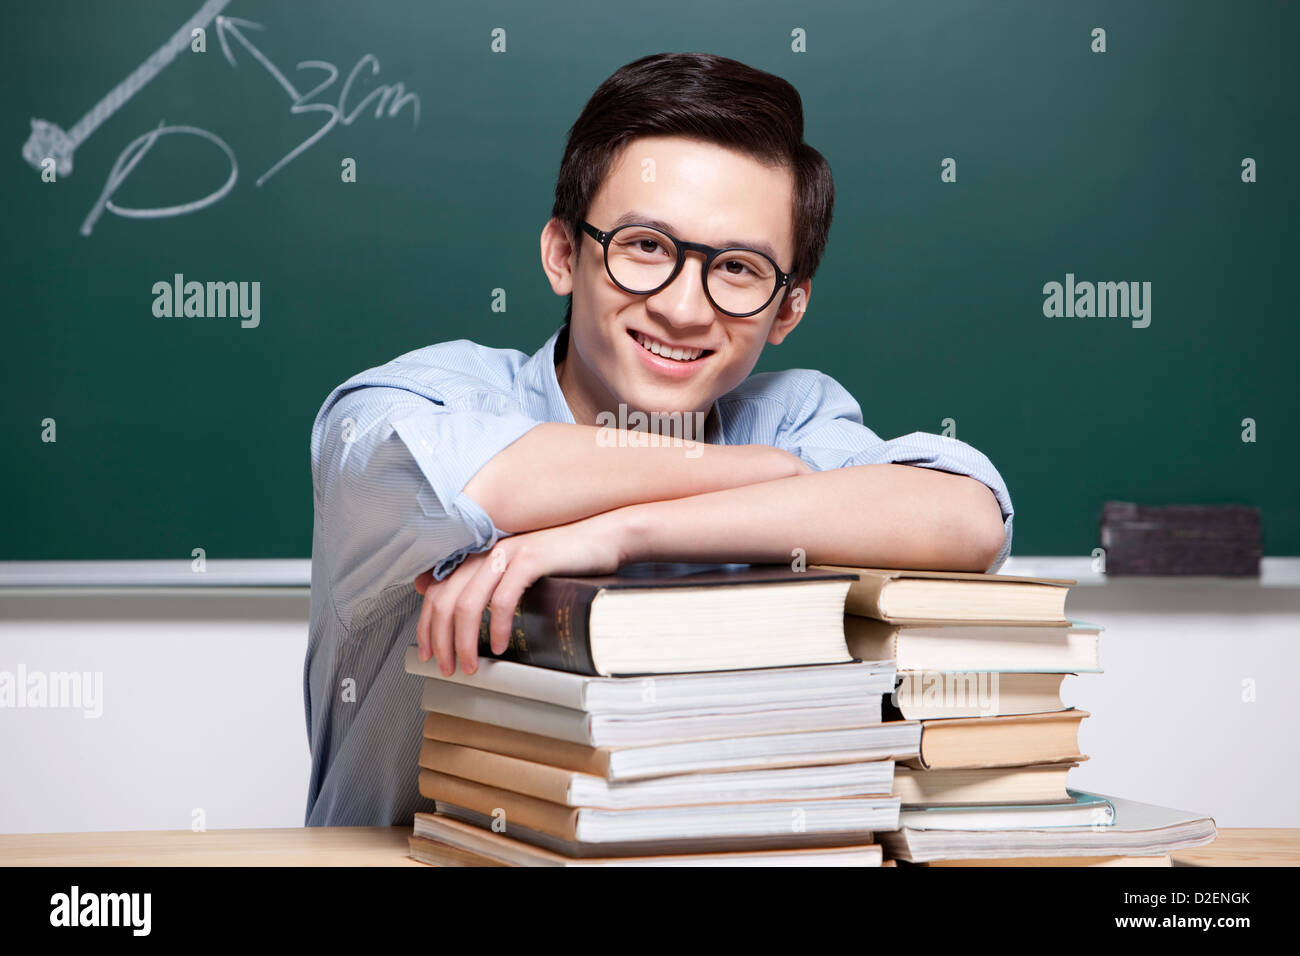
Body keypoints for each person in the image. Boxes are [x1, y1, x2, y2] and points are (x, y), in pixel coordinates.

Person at [303, 52, 1014, 826]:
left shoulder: (791, 413)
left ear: (788, 311)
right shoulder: (423, 396)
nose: (683, 308)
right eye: (645, 247)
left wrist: (620, 534)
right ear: (563, 255)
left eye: (738, 268)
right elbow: (488, 480)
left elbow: (967, 518)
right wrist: (763, 472)